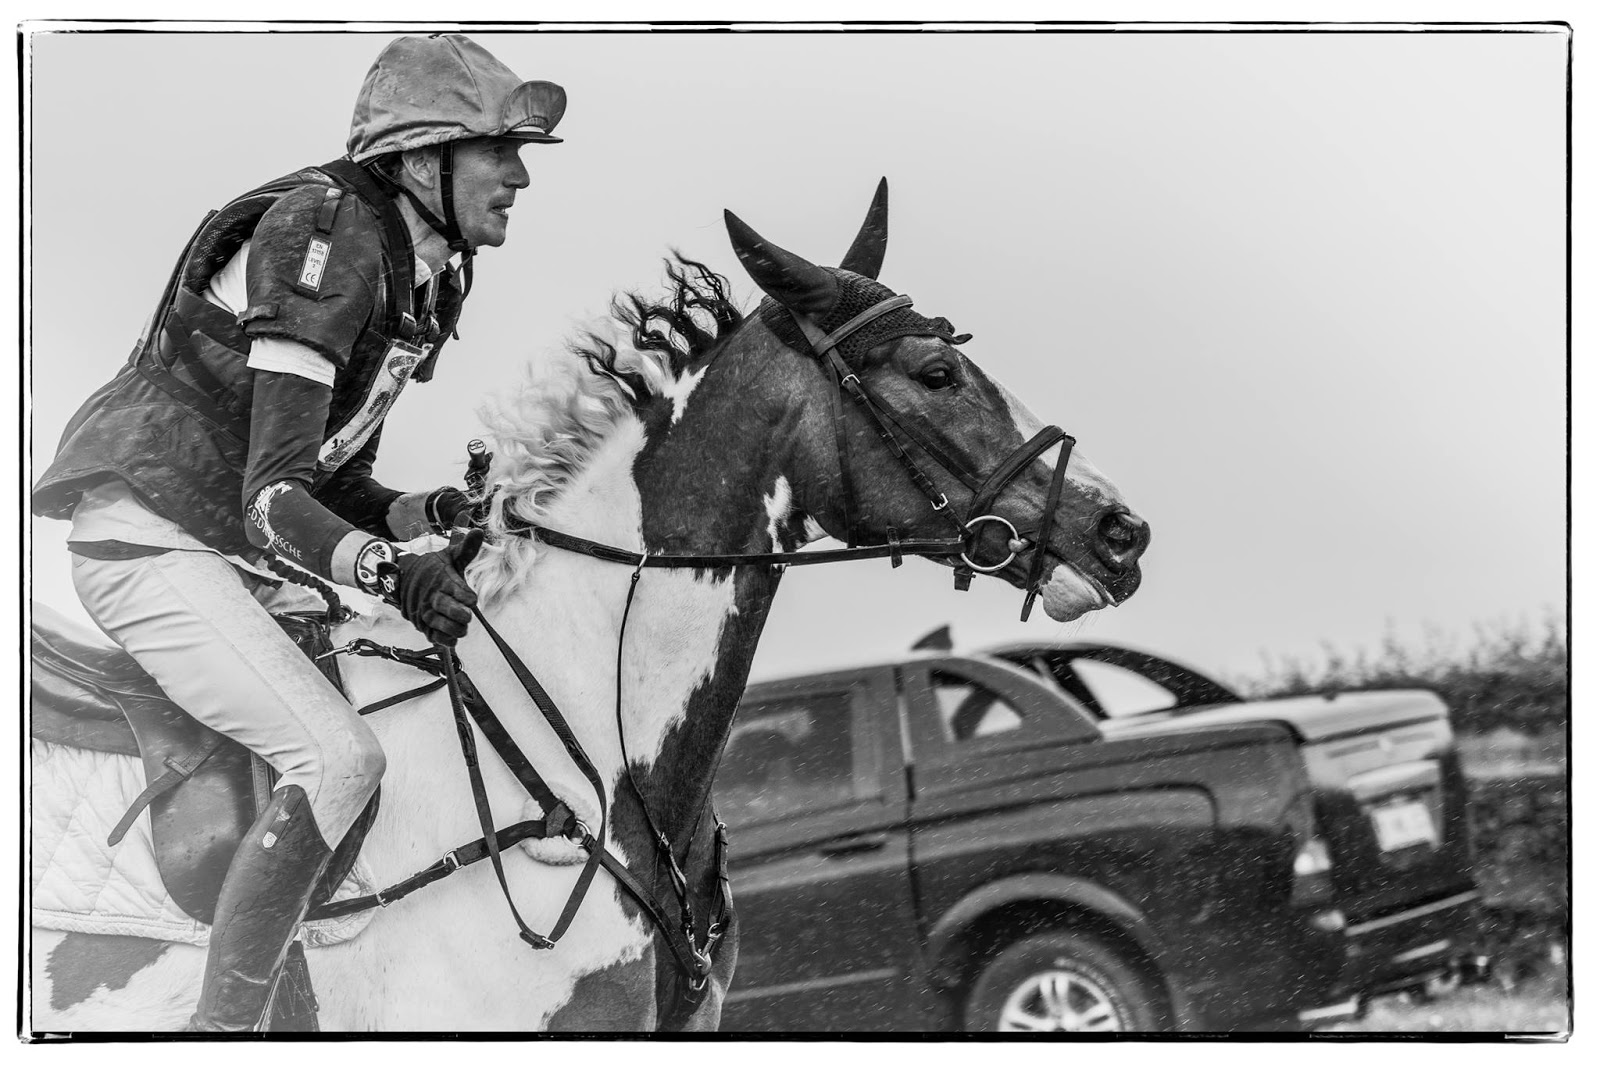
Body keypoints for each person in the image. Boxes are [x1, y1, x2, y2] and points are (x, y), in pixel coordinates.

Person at [30, 34, 566, 1032]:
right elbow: (276, 499)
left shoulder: (429, 267)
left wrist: (420, 517)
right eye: (498, 151)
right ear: (420, 159)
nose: (520, 174)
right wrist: (394, 574)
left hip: (218, 539)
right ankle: (223, 1032)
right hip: (147, 537)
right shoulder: (326, 233)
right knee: (343, 759)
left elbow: (335, 475)